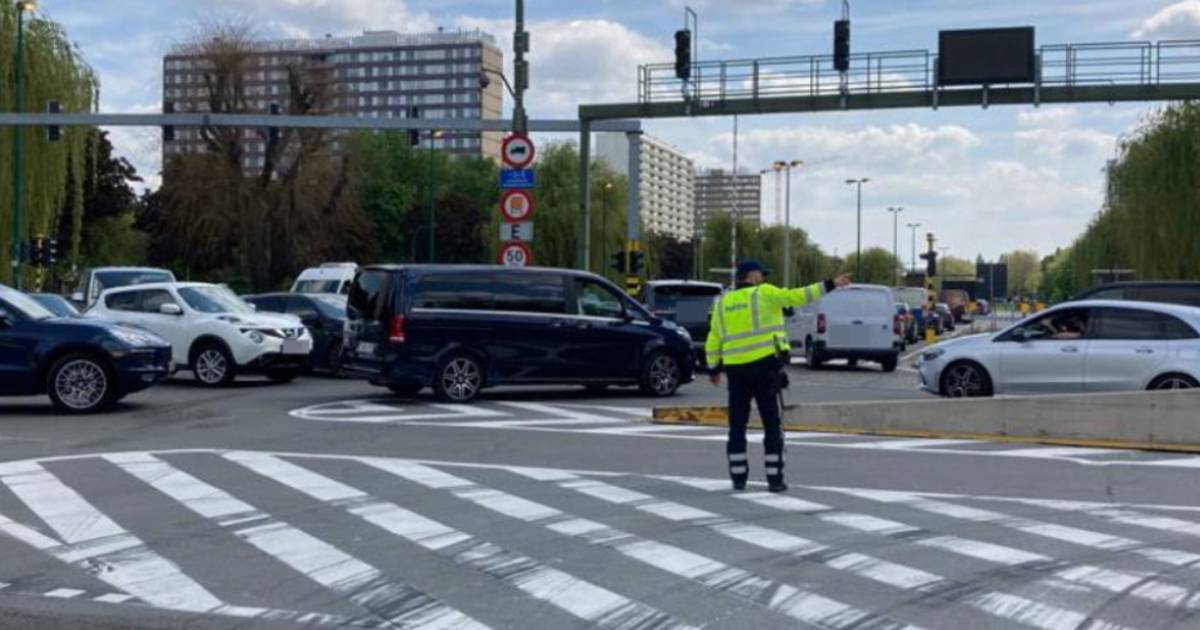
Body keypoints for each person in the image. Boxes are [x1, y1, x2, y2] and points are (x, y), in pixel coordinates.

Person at [705, 261, 852, 493]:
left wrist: (713, 368)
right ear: (752, 276)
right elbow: (798, 296)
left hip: (736, 371)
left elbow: (714, 338)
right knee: (772, 425)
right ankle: (775, 480)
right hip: (765, 368)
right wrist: (831, 284)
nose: (763, 278)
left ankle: (738, 478)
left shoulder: (722, 302)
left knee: (737, 426)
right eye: (761, 274)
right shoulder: (764, 293)